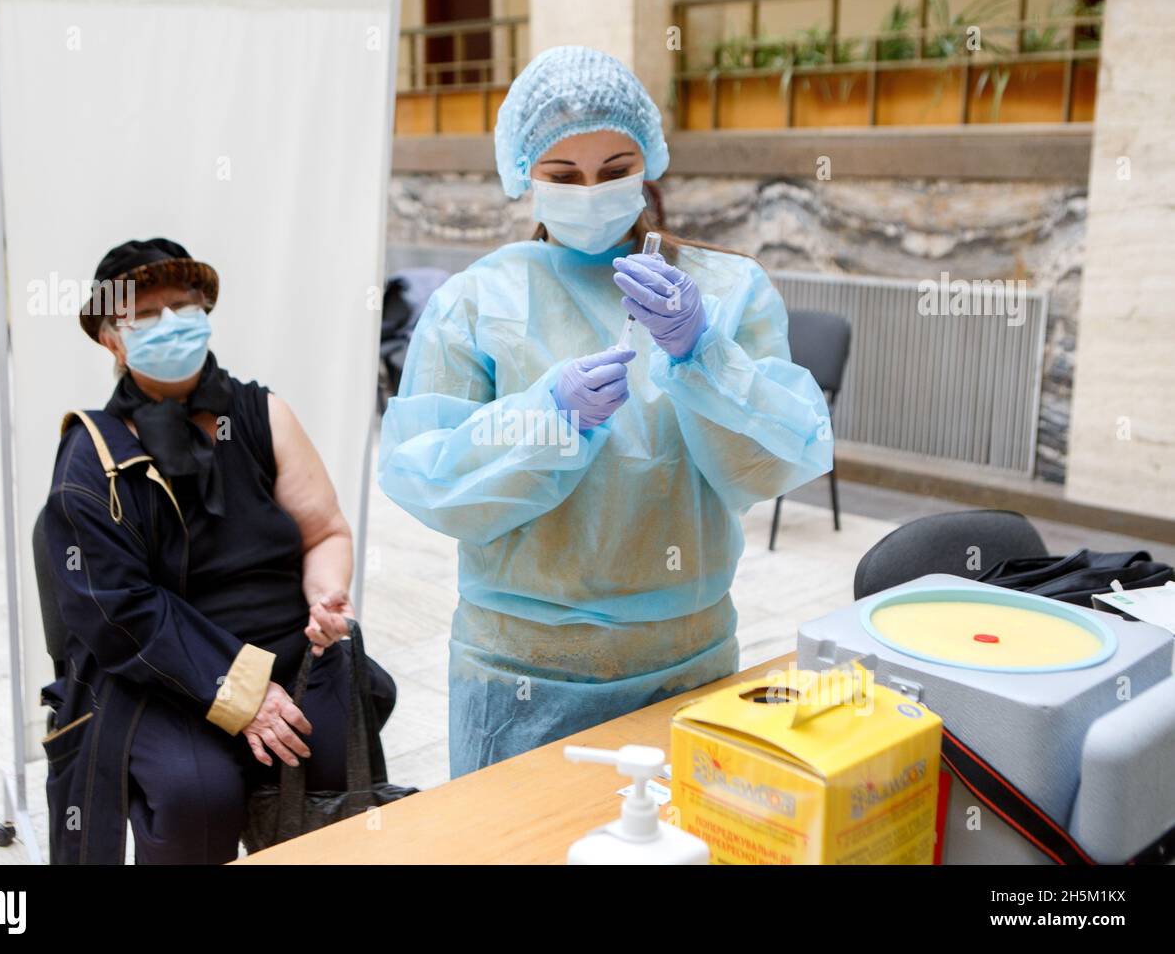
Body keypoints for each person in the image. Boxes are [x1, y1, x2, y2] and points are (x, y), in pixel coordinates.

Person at [378, 46, 833, 777]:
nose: (590, 191)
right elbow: (425, 478)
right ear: (525, 176)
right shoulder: (478, 300)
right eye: (563, 176)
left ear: (649, 163)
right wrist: (544, 416)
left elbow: (783, 456)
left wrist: (705, 356)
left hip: (685, 657)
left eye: (615, 170)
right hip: (521, 665)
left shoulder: (727, 289)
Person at [42, 238, 396, 863]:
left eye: (183, 305)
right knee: (195, 794)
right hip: (163, 678)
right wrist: (243, 693)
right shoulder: (91, 456)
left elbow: (324, 532)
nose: (169, 324)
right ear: (111, 339)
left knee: (341, 752)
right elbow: (117, 612)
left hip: (288, 650)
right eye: (144, 316)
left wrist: (324, 594)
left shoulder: (263, 413)